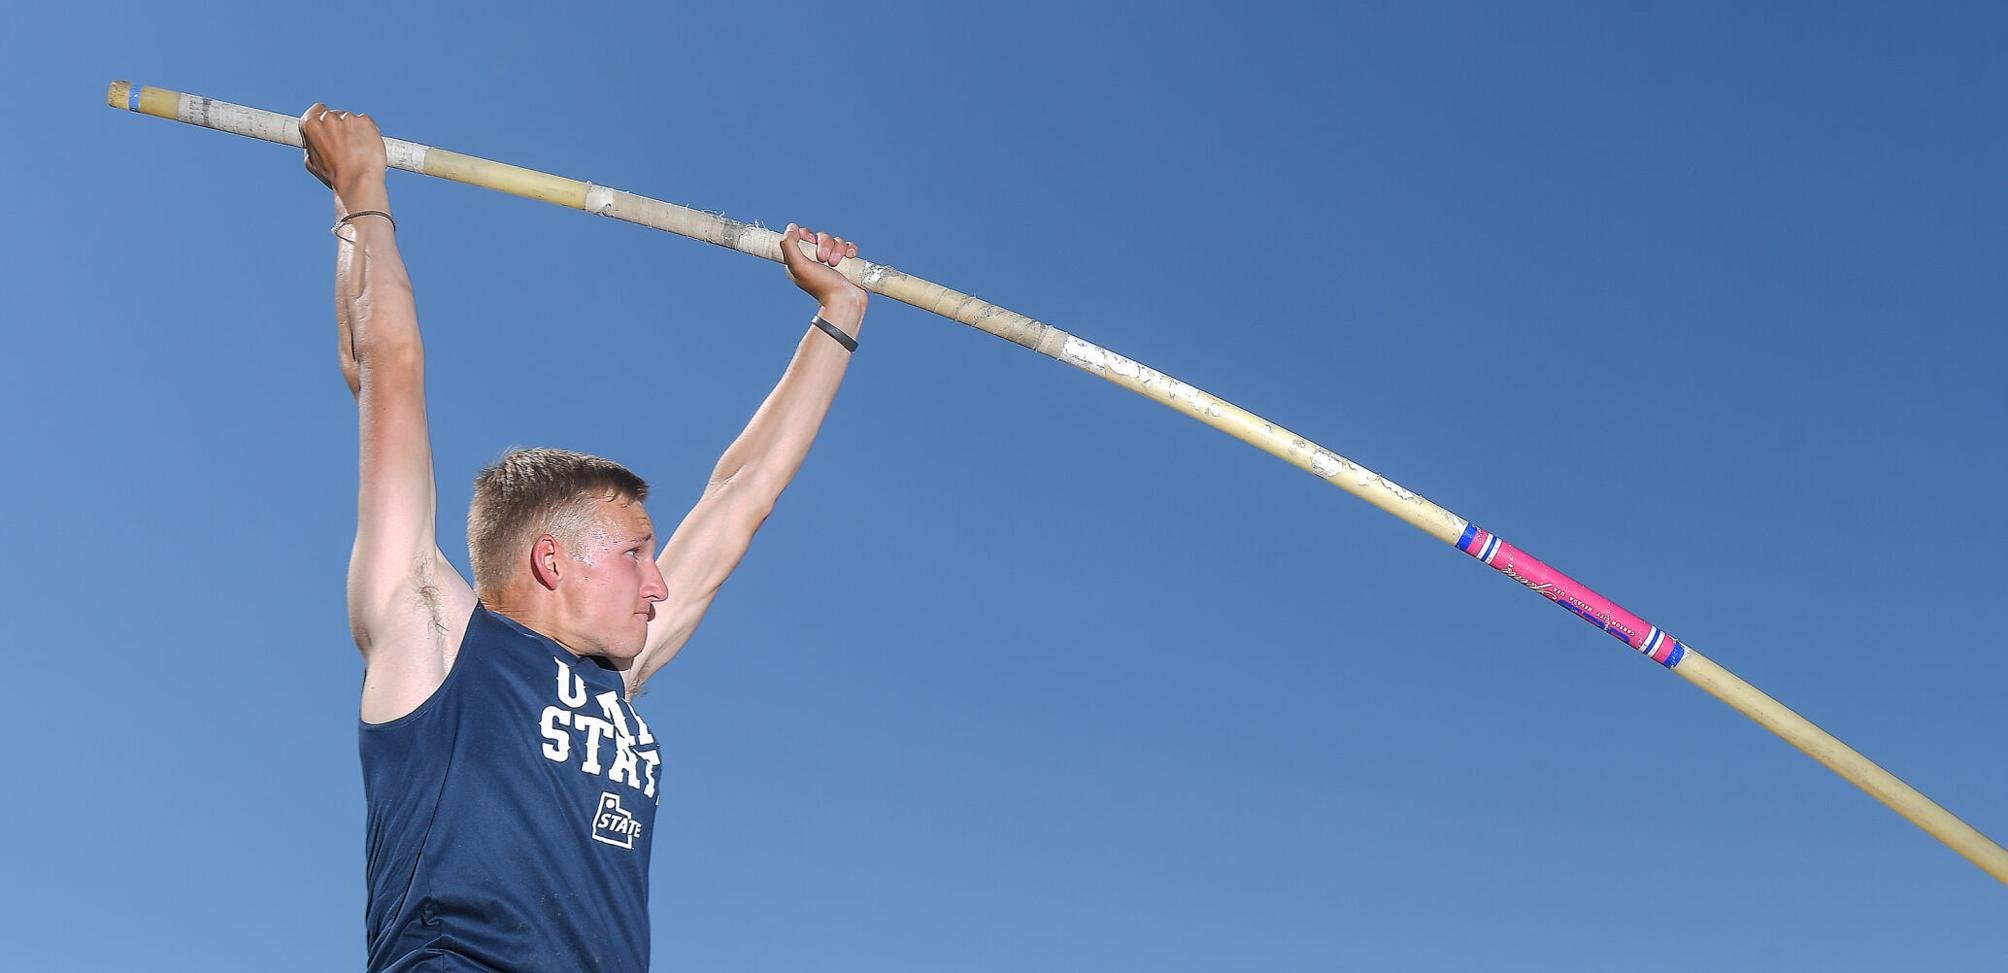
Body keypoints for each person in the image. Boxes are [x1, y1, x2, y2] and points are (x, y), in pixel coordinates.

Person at [300, 103, 866, 972]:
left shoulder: (613, 680)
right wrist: (360, 190)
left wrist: (839, 317)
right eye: (635, 552)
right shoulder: (437, 635)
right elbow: (385, 367)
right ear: (550, 559)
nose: (660, 580)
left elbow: (740, 497)